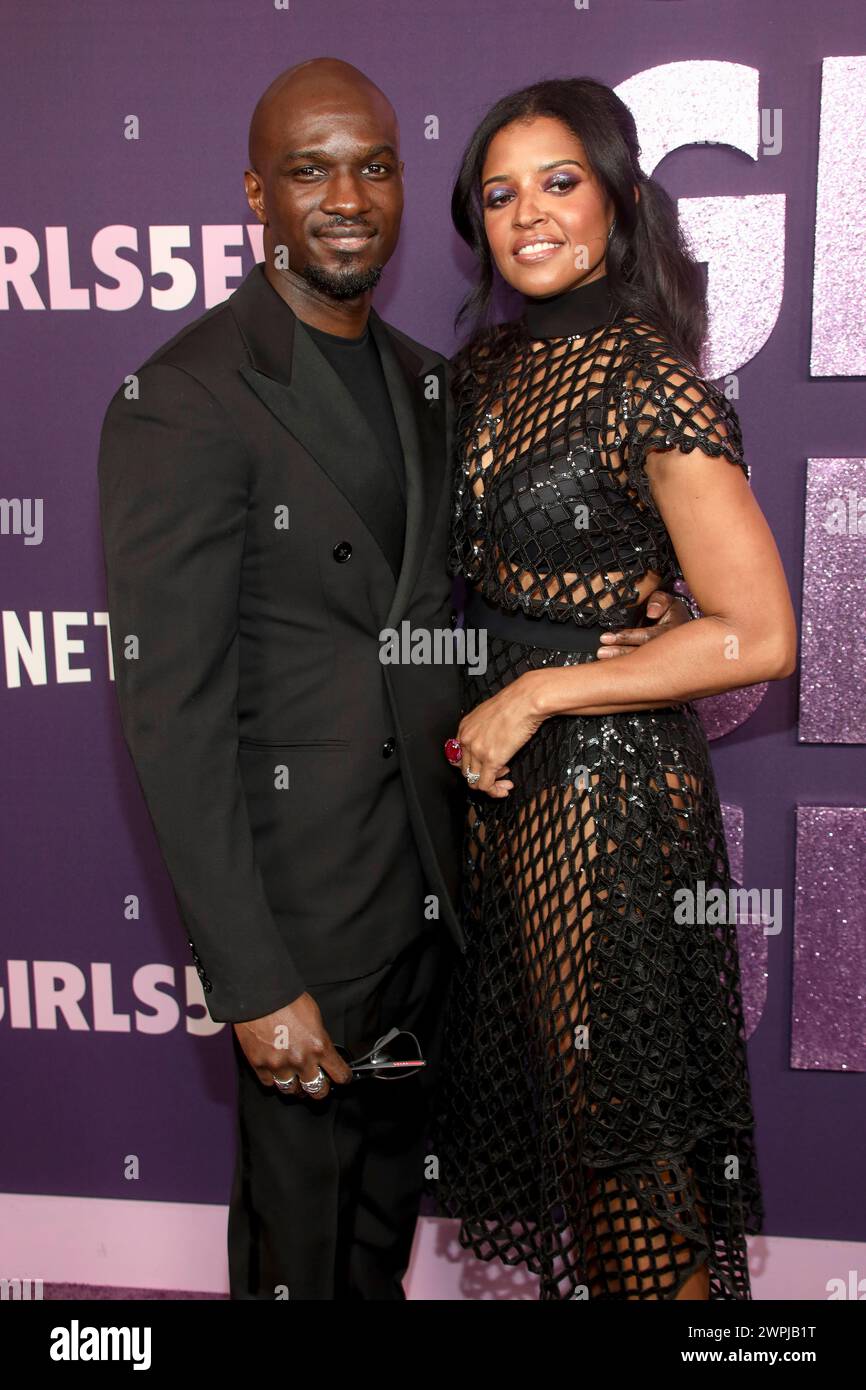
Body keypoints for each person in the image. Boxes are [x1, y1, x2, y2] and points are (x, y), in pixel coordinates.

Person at [97, 56, 472, 1301]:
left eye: (373, 163)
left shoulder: (430, 380)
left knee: (378, 1243)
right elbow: (174, 714)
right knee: (298, 1257)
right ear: (257, 190)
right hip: (303, 924)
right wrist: (252, 980)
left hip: (429, 895)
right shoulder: (187, 396)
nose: (347, 194)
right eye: (310, 168)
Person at [426, 77, 797, 1301]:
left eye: (558, 181)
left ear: (621, 201)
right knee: (578, 1149)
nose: (527, 215)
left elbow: (755, 635)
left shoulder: (651, 379)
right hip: (503, 800)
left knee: (628, 1153)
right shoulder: (478, 373)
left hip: (606, 800)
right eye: (498, 193)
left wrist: (535, 696)